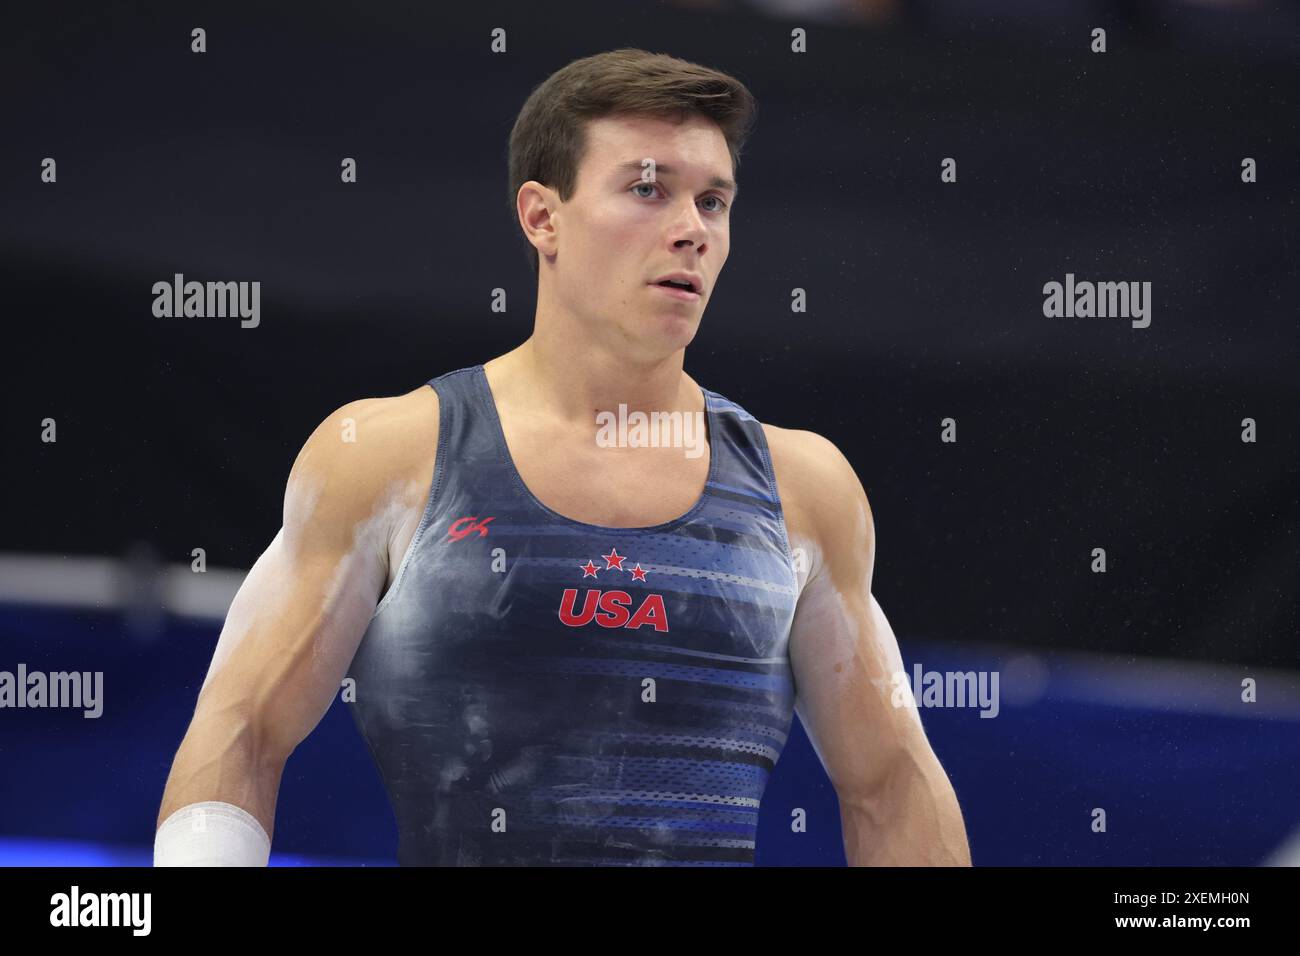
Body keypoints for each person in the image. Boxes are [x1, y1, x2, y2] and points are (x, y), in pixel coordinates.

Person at [155, 48, 971, 867]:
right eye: (648, 189)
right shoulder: (390, 457)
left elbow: (892, 783)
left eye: (714, 201)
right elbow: (240, 729)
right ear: (542, 217)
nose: (692, 229)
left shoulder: (802, 490)